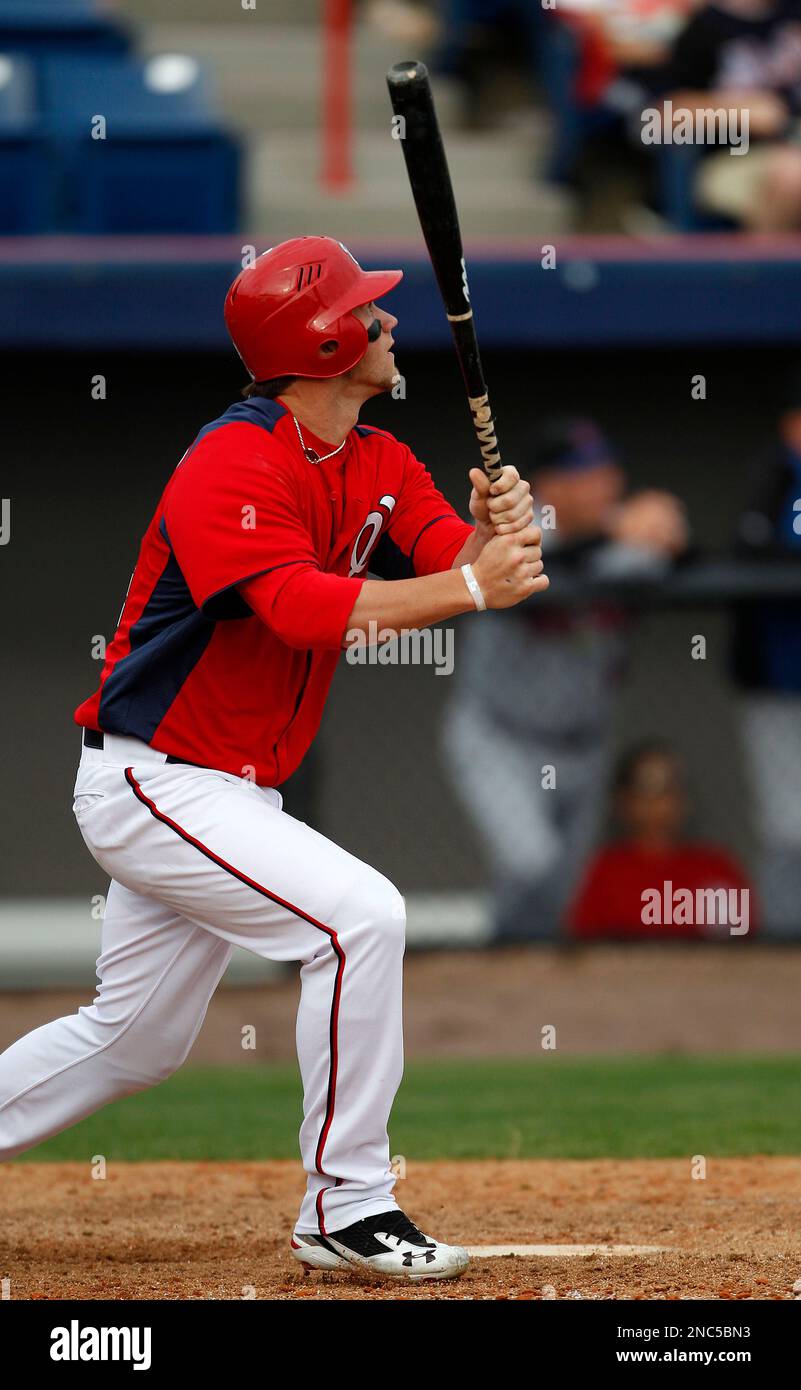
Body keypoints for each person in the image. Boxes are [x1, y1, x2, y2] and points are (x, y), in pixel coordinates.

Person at [0, 236, 547, 1283]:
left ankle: (343, 1203)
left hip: (229, 792)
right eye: (368, 313)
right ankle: (348, 1204)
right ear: (325, 342)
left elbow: (458, 562)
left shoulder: (380, 459)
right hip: (153, 778)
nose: (388, 323)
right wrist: (478, 586)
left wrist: (500, 537)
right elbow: (297, 608)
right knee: (361, 918)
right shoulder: (231, 461)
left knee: (133, 1041)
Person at [442, 418, 688, 942]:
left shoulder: (619, 543)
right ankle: (500, 955)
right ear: (549, 485)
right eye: (585, 473)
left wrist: (665, 528)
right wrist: (618, 532)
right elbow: (546, 560)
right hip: (502, 737)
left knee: (560, 889)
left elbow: (669, 553)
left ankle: (524, 977)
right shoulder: (517, 529)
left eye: (607, 470)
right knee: (529, 861)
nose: (605, 484)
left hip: (584, 744)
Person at [731, 368, 801, 934]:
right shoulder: (775, 475)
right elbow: (748, 547)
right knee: (788, 827)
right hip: (779, 685)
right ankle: (784, 941)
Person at [568, 742, 755, 937]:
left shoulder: (715, 867)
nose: (657, 803)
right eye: (645, 790)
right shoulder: (605, 870)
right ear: (624, 801)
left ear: (684, 799)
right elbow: (584, 941)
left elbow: (742, 941)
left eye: (667, 789)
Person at [662, 0, 801, 230]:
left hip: (793, 142)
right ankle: (760, 256)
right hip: (739, 153)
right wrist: (739, 112)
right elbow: (664, 117)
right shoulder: (706, 26)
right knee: (792, 173)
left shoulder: (793, 11)